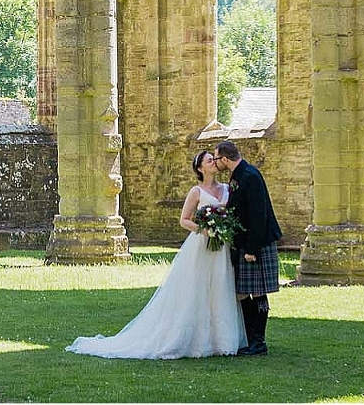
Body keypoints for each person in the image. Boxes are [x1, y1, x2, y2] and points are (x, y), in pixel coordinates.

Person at [66, 150, 247, 359]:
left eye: (214, 160)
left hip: (220, 247)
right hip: (201, 245)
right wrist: (205, 229)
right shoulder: (196, 192)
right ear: (200, 168)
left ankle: (221, 340)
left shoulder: (226, 189)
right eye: (209, 160)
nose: (214, 163)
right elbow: (184, 220)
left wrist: (222, 227)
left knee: (220, 286)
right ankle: (196, 341)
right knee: (197, 288)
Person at [215, 140, 282, 356]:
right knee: (243, 292)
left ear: (225, 159)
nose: (216, 163)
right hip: (244, 243)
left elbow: (258, 215)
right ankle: (250, 338)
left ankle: (259, 342)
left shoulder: (250, 176)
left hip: (257, 243)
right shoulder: (237, 175)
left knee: (258, 291)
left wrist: (252, 249)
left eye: (217, 159)